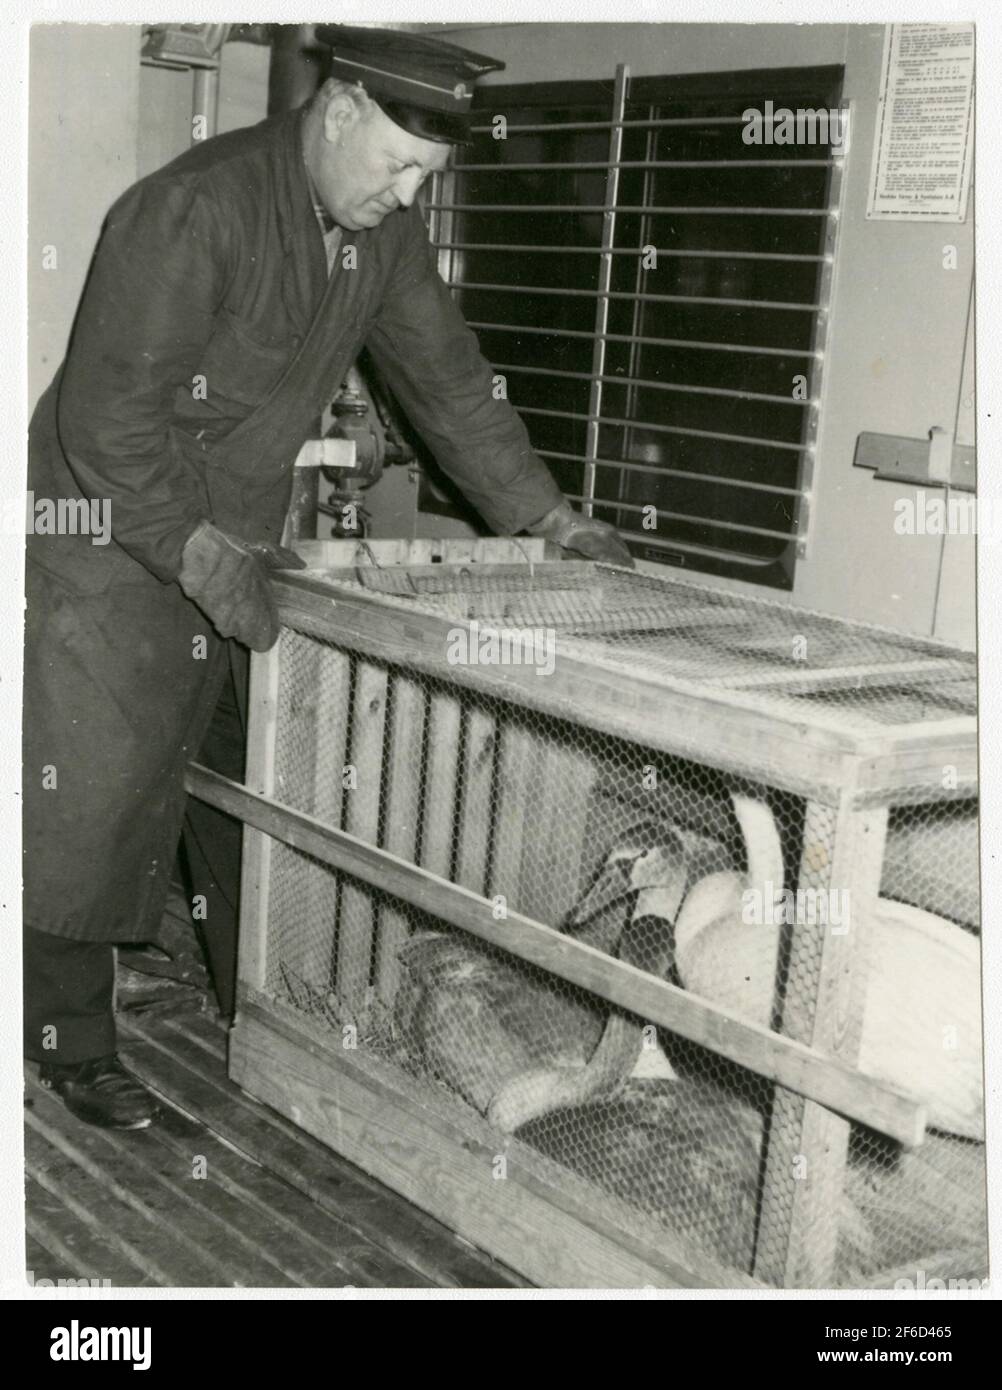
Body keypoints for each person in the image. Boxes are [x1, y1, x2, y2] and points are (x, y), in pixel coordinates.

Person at [23, 25, 632, 1130]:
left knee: (240, 779)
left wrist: (546, 517)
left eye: (426, 178)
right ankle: (67, 1044)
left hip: (230, 541)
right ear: (339, 107)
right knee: (90, 791)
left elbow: (451, 386)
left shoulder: (381, 238)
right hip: (107, 534)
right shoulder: (193, 208)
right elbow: (104, 421)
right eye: (397, 162)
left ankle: (261, 1004)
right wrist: (201, 556)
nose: (405, 194)